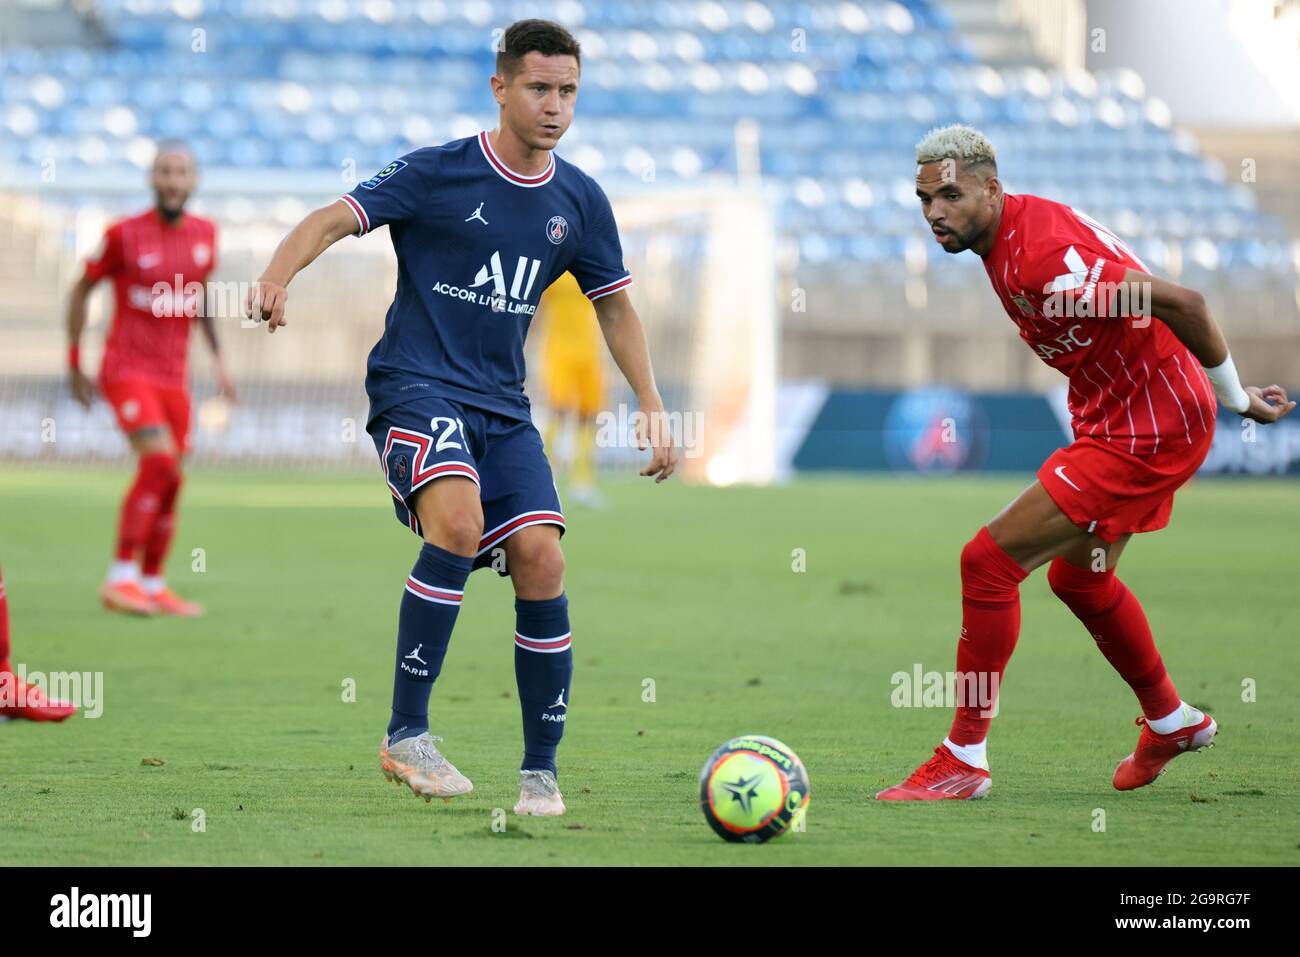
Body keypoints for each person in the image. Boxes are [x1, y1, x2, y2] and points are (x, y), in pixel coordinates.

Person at [246, 20, 676, 816]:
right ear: (501, 88)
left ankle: (540, 771)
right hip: (415, 386)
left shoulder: (579, 200)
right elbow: (333, 217)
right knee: (458, 518)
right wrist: (278, 273)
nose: (554, 106)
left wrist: (650, 402)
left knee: (543, 559)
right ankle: (408, 731)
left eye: (568, 91)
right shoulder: (438, 171)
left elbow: (615, 305)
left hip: (502, 408)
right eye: (540, 88)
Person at [878, 124, 1294, 800]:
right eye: (924, 199)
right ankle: (1169, 720)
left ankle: (964, 757)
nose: (935, 212)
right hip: (1122, 412)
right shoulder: (1006, 236)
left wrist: (1238, 398)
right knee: (1081, 581)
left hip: (1147, 426)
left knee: (987, 562)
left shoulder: (1044, 259)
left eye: (950, 195)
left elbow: (1182, 302)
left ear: (991, 186)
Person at [66, 140, 235, 617]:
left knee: (173, 478)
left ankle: (153, 581)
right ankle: (119, 578)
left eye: (181, 172)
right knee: (159, 464)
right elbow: (80, 291)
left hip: (173, 378)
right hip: (125, 370)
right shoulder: (122, 234)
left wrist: (220, 364)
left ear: (194, 181)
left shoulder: (206, 236)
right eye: (164, 171)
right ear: (152, 179)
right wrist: (74, 359)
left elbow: (198, 300)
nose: (173, 180)